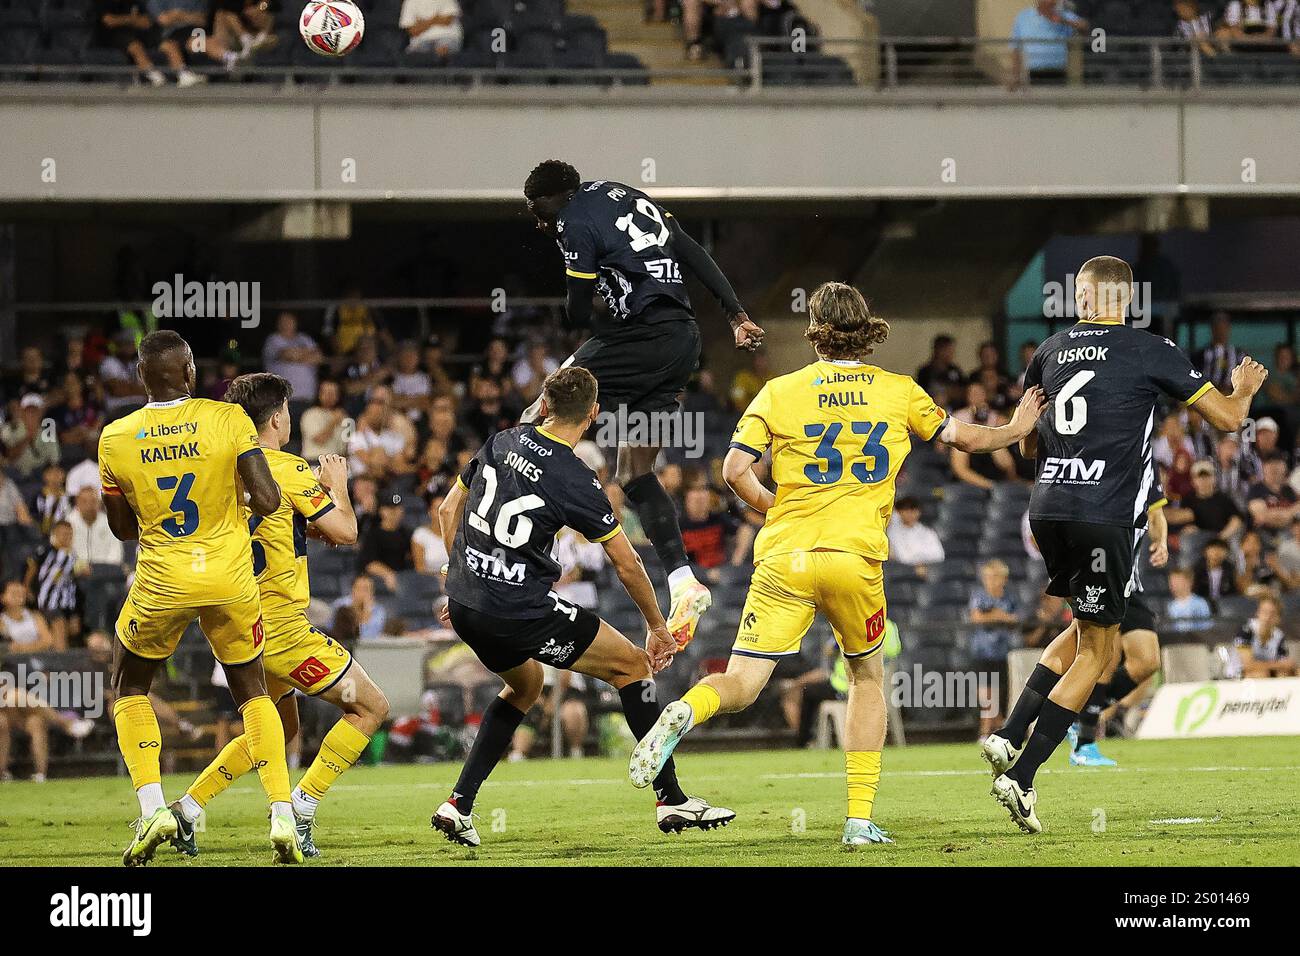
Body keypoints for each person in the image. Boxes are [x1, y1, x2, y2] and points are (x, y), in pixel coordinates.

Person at [629, 282, 1047, 847]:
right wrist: (1018, 429)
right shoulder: (899, 391)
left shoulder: (780, 391)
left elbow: (732, 470)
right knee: (868, 678)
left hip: (784, 555)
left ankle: (683, 710)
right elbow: (964, 439)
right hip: (854, 559)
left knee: (744, 682)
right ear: (866, 328)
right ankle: (857, 820)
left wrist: (773, 505)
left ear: (814, 331)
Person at [984, 255, 1266, 834]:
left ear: (1082, 299)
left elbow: (1025, 445)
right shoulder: (1149, 349)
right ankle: (1024, 776)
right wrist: (1242, 390)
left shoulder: (1051, 349)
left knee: (1087, 629)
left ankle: (1009, 737)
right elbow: (1229, 421)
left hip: (1048, 510)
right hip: (1101, 515)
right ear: (1127, 300)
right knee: (1101, 653)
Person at [432, 367, 734, 846]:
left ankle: (458, 804)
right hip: (518, 609)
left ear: (545, 405)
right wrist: (657, 626)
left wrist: (456, 579)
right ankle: (672, 800)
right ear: (593, 415)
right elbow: (627, 562)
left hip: (468, 604)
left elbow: (448, 510)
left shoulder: (502, 439)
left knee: (525, 687)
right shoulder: (575, 477)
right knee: (634, 667)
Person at [522, 160, 764, 650]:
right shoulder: (627, 195)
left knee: (539, 410)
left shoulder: (572, 219)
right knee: (634, 473)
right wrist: (736, 314)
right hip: (681, 343)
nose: (539, 222)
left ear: (553, 197)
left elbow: (574, 310)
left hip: (640, 336)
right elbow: (693, 252)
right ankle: (683, 582)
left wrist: (591, 302)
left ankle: (508, 549)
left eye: (537, 210)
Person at [95, 329, 299, 866]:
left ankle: (153, 807)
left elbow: (120, 530)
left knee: (129, 686)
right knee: (254, 693)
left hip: (163, 579)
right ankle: (282, 814)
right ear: (190, 372)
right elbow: (269, 497)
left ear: (141, 377)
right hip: (230, 577)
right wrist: (231, 518)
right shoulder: (228, 419)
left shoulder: (115, 437)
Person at [168, 373, 388, 860]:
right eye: (287, 410)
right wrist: (340, 486)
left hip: (236, 623)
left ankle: (185, 810)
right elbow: (347, 531)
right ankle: (301, 811)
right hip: (284, 628)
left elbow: (285, 527)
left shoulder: (219, 468)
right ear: (276, 418)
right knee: (372, 708)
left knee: (275, 731)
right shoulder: (287, 469)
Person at [1068, 493, 1169, 766]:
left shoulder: (1145, 465)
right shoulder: (1106, 460)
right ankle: (1085, 744)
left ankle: (1073, 714)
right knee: (1105, 658)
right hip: (1099, 576)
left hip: (1130, 585)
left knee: (1148, 661)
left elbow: (1157, 512)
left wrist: (1161, 540)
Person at [968, 559, 1020, 741]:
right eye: (989, 577)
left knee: (999, 693)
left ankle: (993, 730)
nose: (992, 581)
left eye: (996, 577)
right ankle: (988, 730)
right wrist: (999, 616)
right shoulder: (979, 596)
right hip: (982, 652)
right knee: (986, 693)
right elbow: (976, 617)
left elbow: (1016, 619)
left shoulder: (1009, 597)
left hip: (1003, 652)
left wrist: (996, 616)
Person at [1234, 595, 1296, 678]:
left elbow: (1285, 665)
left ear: (1278, 618)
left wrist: (1286, 666)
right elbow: (1248, 665)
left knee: (1287, 673)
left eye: (1272, 614)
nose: (1267, 618)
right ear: (1258, 613)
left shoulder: (1279, 636)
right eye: (1264, 612)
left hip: (1267, 672)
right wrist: (1278, 664)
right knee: (1261, 674)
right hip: (1237, 675)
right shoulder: (1246, 631)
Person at [886, 496, 945, 576]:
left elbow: (939, 555)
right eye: (906, 510)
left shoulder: (927, 532)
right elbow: (903, 557)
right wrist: (919, 560)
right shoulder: (893, 532)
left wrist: (919, 562)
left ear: (919, 512)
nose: (910, 514)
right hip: (901, 572)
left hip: (927, 571)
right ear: (899, 512)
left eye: (913, 510)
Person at [1165, 567, 1213, 633]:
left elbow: (1207, 627)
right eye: (1171, 582)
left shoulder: (1200, 603)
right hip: (1177, 641)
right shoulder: (1171, 606)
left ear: (1189, 582)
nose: (1173, 585)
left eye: (1177, 581)